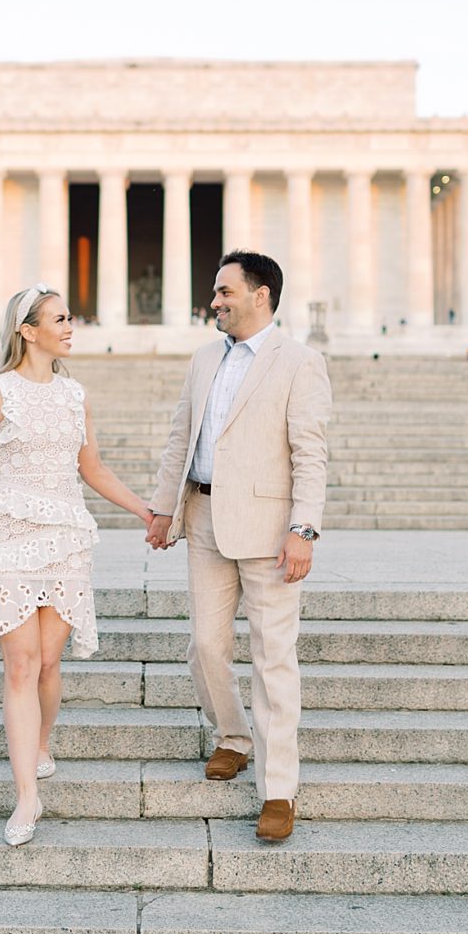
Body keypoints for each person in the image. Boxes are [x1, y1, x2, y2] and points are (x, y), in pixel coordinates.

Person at [0, 284, 157, 846]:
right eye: (59, 318)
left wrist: (147, 511)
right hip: (12, 531)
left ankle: (42, 741)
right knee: (19, 663)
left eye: (70, 318)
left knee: (47, 661)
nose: (70, 326)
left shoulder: (76, 396)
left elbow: (93, 468)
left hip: (68, 535)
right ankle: (26, 796)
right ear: (27, 330)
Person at [147, 250, 331, 843]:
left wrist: (304, 529)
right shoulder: (204, 359)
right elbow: (182, 436)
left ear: (261, 295)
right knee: (205, 645)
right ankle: (232, 735)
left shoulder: (299, 362)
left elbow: (310, 452)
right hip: (202, 517)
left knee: (273, 658)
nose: (216, 300)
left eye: (225, 291)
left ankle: (279, 791)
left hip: (270, 530)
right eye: (215, 291)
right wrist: (163, 506)